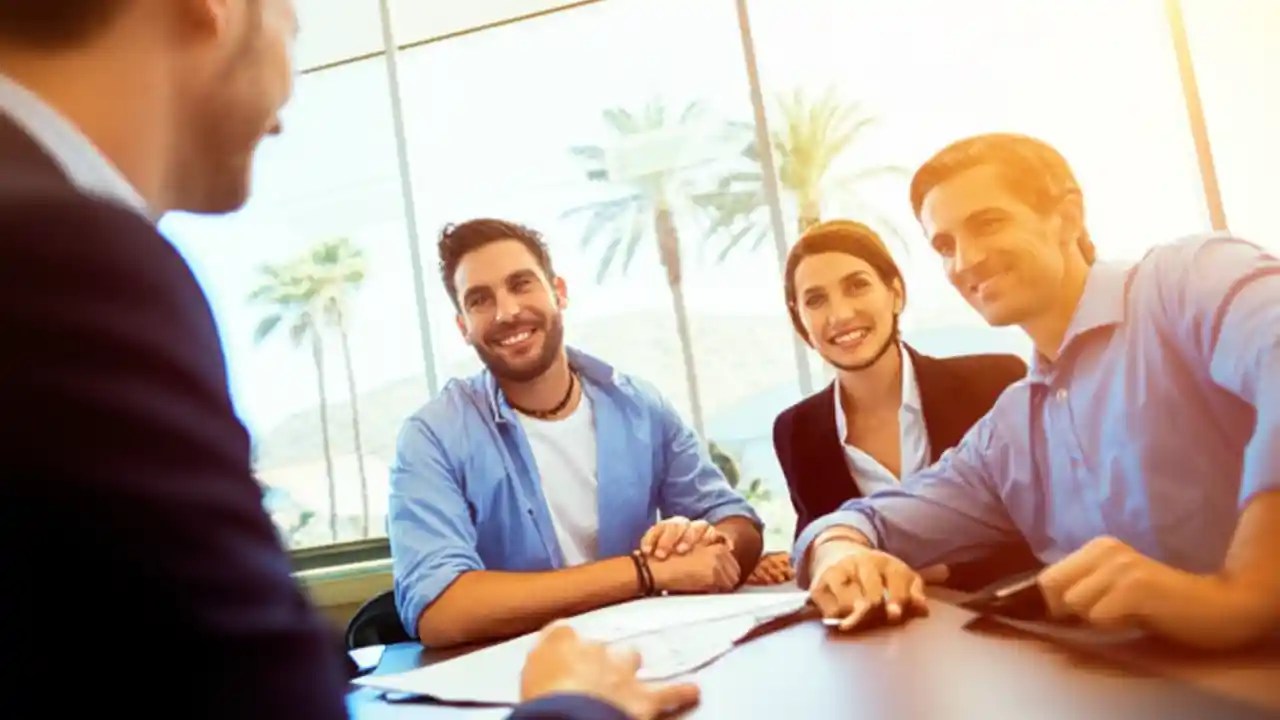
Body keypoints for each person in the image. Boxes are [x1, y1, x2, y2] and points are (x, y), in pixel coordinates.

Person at [0, 3, 699, 719]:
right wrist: (574, 707)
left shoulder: (45, 240)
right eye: (293, 22)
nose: (289, 100)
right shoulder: (63, 258)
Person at [793, 132, 1280, 650]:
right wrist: (840, 552)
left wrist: (1244, 593)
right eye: (945, 246)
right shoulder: (1010, 432)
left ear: (1068, 217)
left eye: (988, 223)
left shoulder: (1186, 280)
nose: (965, 261)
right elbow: (863, 520)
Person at [390, 218, 765, 648]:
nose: (507, 311)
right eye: (480, 300)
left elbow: (737, 524)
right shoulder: (431, 436)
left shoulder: (640, 406)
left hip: (652, 656)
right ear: (463, 327)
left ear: (559, 292)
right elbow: (441, 611)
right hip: (522, 681)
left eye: (521, 284)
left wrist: (706, 543)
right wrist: (644, 571)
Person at [755, 219, 1038, 590]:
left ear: (896, 294)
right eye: (815, 300)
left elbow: (1035, 533)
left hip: (995, 616)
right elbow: (818, 536)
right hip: (879, 632)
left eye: (857, 286)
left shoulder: (992, 382)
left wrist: (939, 574)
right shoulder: (797, 430)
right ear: (801, 322)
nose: (840, 315)